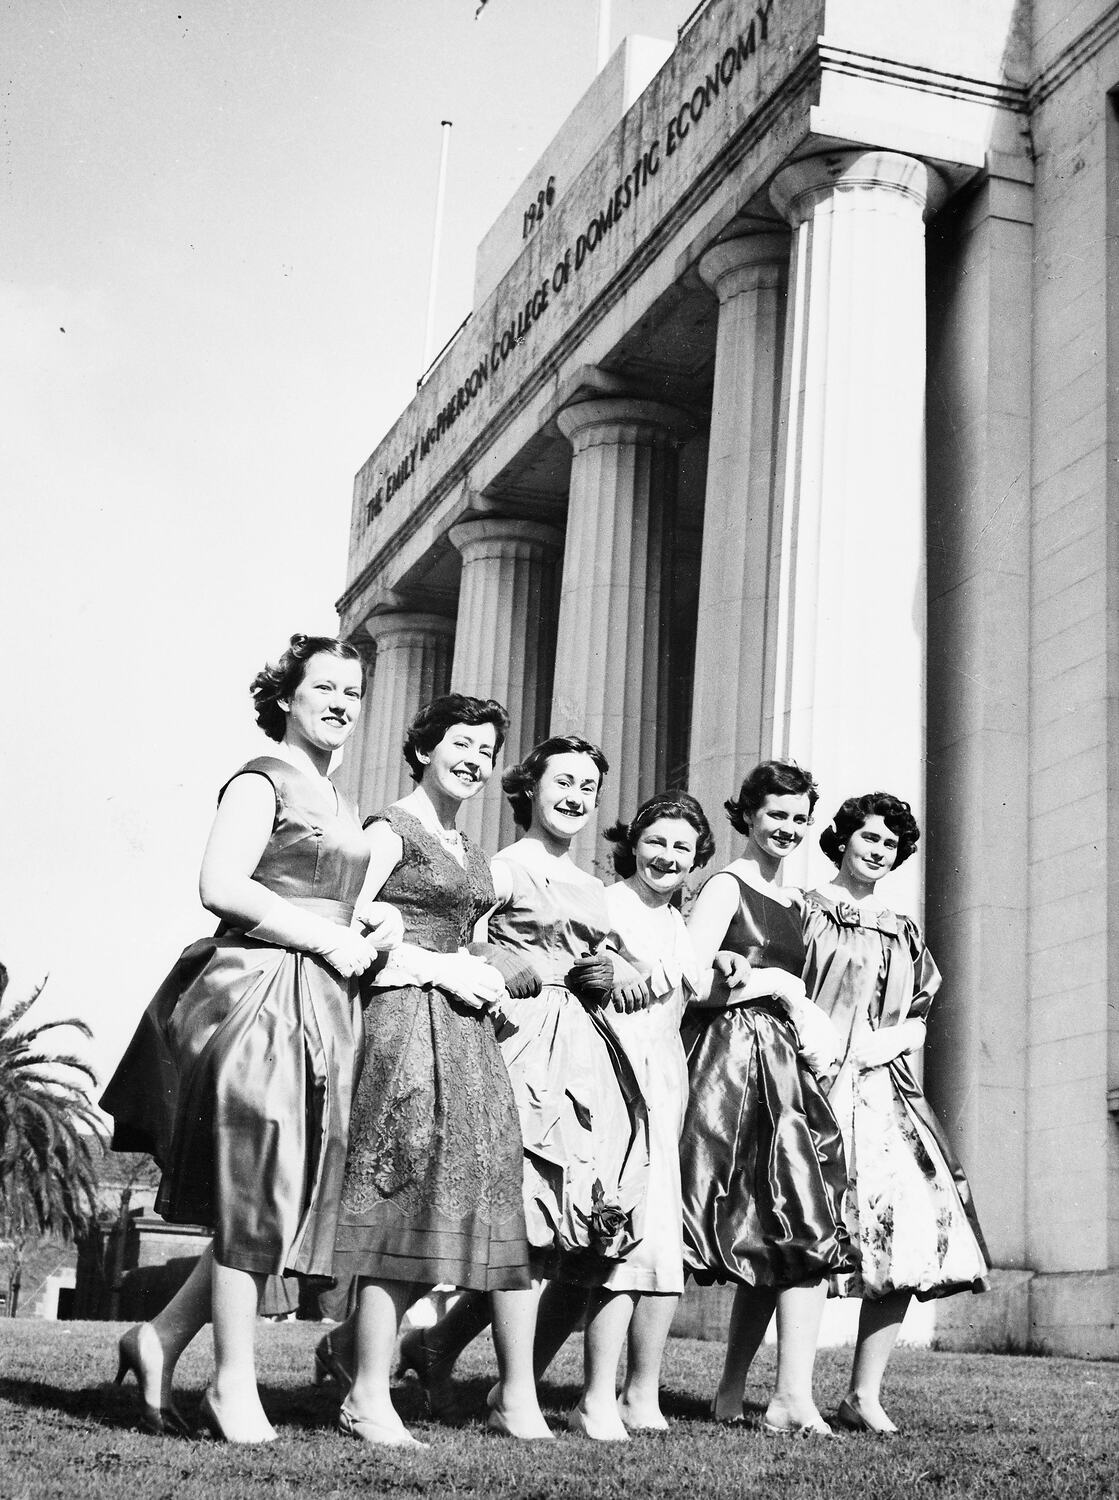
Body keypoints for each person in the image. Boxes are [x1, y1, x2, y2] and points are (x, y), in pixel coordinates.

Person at [101, 633, 401, 1442]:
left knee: (282, 1192)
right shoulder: (262, 779)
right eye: (324, 688)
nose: (341, 703)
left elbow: (330, 888)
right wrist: (325, 936)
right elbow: (221, 885)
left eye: (353, 691)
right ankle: (233, 1387)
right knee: (255, 1188)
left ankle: (158, 1338)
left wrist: (372, 917)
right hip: (258, 995)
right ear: (286, 697)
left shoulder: (339, 800)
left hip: (322, 1002)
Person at [395, 734, 649, 1441]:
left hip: (589, 1052)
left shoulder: (595, 884)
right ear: (529, 789)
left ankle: (434, 1347)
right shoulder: (502, 868)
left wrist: (608, 974)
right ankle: (508, 1395)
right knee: (523, 1218)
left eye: (588, 787)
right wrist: (504, 962)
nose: (575, 796)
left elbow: (611, 964)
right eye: (562, 781)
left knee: (575, 1228)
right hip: (524, 1041)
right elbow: (457, 939)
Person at [326, 694, 544, 1447]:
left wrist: (491, 968)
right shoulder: (390, 830)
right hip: (404, 1026)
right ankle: (365, 1396)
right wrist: (433, 965)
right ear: (421, 750)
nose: (474, 759)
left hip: (465, 1034)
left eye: (486, 750)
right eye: (460, 743)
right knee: (405, 1198)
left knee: (458, 1200)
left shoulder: (469, 849)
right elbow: (342, 920)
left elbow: (472, 936)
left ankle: (351, 1356)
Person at [803, 792, 990, 1434]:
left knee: (908, 1228)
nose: (878, 850)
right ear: (844, 838)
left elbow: (919, 1003)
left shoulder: (901, 927)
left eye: (889, 843)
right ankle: (754, 1388)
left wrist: (900, 1036)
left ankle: (863, 1392)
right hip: (814, 1085)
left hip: (885, 1092)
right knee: (794, 1230)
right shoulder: (806, 910)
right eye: (868, 837)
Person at [680, 759, 850, 1435]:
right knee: (785, 1219)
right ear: (747, 815)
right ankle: (786, 1398)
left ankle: (745, 1393)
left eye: (798, 818)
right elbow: (692, 982)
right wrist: (778, 988)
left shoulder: (795, 902)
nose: (787, 827)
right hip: (727, 1064)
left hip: (781, 1066)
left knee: (783, 1225)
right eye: (775, 814)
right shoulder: (727, 886)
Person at [586, 791, 713, 1434]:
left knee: (663, 1240)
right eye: (657, 841)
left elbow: (697, 993)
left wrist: (734, 964)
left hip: (665, 1083)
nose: (668, 856)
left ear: (696, 860)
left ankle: (642, 1394)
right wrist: (608, 961)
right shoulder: (606, 905)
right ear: (633, 843)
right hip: (611, 1078)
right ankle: (597, 1396)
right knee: (617, 1240)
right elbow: (578, 968)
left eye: (682, 848)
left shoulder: (679, 925)